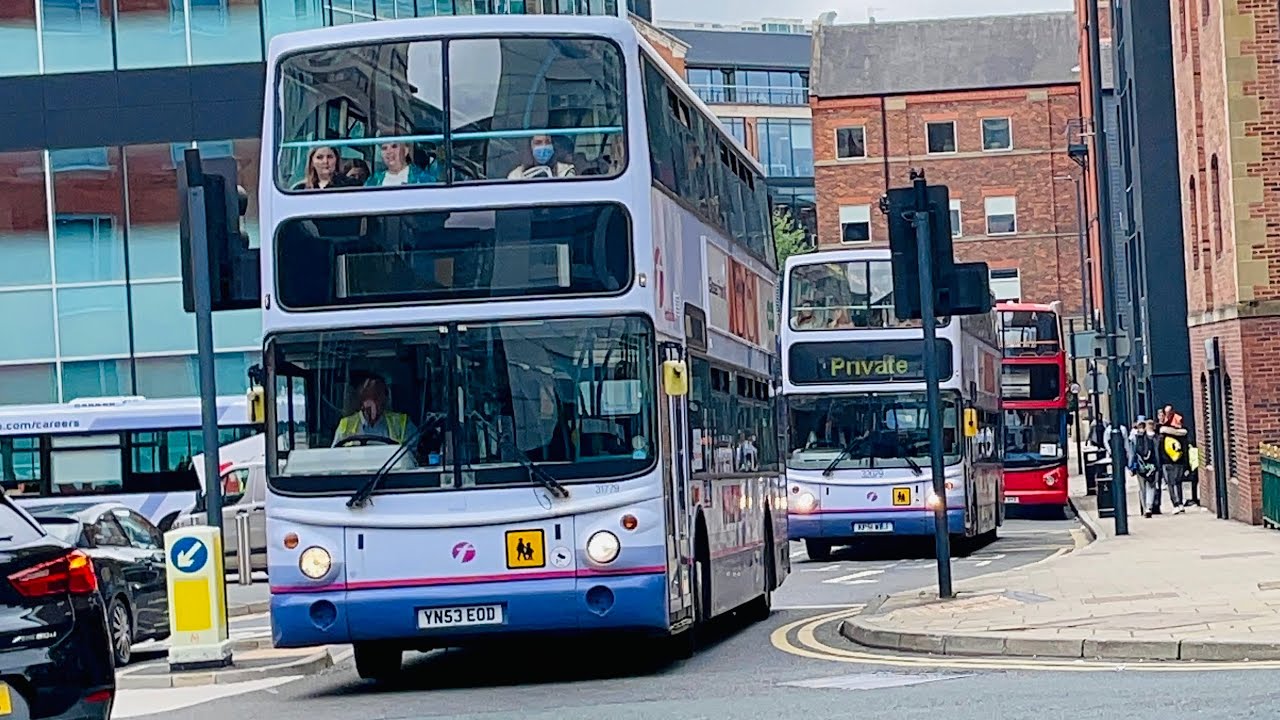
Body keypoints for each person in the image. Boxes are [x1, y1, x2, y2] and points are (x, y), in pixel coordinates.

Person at [332, 376, 417, 447]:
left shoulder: (402, 424)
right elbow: (334, 457)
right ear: (361, 399)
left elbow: (414, 454)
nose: (372, 402)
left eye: (377, 396)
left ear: (385, 398)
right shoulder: (345, 426)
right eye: (368, 396)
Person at [1158, 407, 1190, 514]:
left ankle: (1177, 504)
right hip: (1174, 461)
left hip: (1170, 461)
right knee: (1176, 483)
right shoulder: (1181, 434)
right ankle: (1178, 503)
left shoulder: (1162, 432)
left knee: (1173, 483)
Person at [508, 134, 575, 179]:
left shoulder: (565, 171)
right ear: (530, 147)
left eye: (547, 142)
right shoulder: (516, 175)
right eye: (538, 143)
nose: (544, 146)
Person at [1134, 419, 1161, 518]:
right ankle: (1149, 507)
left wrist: (1131, 466)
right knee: (1151, 486)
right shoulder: (1155, 438)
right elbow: (1157, 453)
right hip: (1152, 466)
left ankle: (1145, 507)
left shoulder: (1136, 438)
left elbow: (1132, 452)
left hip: (1141, 466)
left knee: (1142, 488)